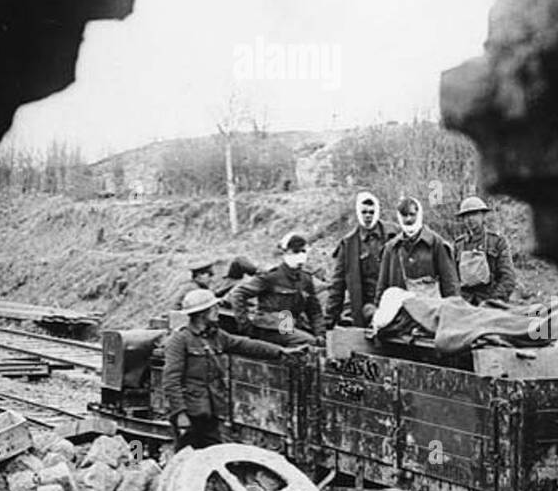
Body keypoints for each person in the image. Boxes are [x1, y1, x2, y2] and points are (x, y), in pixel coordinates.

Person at [163, 289, 306, 450]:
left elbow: (246, 344)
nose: (218, 312)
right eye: (213, 309)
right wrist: (180, 414)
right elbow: (171, 381)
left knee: (210, 455)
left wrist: (280, 351)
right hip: (190, 413)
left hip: (210, 411)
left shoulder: (215, 336)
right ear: (201, 314)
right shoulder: (180, 340)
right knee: (185, 457)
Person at [229, 232, 326, 345]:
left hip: (289, 324)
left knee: (325, 343)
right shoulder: (272, 276)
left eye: (303, 251)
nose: (300, 255)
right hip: (270, 326)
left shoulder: (306, 279)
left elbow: (314, 311)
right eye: (295, 251)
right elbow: (238, 294)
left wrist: (320, 334)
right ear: (285, 253)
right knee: (309, 342)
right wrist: (244, 324)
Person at [325, 191, 394, 329]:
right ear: (358, 213)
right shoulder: (348, 244)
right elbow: (337, 285)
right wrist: (329, 320)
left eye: (371, 212)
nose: (368, 215)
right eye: (364, 212)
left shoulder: (394, 235)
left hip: (394, 301)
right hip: (366, 306)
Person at [374, 196, 459, 304]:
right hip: (401, 314)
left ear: (419, 215)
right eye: (404, 215)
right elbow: (382, 285)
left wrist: (454, 312)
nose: (408, 219)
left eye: (412, 214)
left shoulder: (436, 244)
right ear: (399, 217)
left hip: (430, 313)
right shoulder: (391, 248)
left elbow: (450, 284)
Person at [453, 196, 517, 305]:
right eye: (466, 216)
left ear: (483, 216)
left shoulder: (497, 242)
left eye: (474, 214)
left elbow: (508, 277)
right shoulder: (458, 245)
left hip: (490, 299)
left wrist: (494, 301)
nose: (470, 219)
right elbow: (451, 278)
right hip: (464, 303)